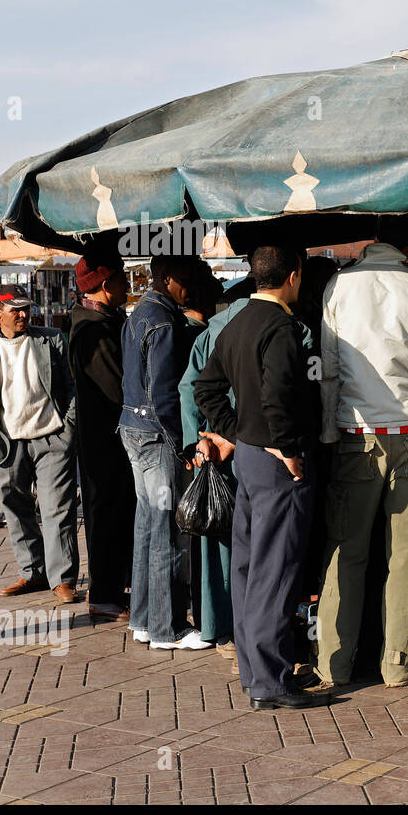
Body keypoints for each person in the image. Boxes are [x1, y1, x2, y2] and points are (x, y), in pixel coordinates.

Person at [193, 244, 327, 710]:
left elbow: (205, 389)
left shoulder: (234, 324)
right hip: (277, 463)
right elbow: (276, 397)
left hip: (249, 458)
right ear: (294, 274)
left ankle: (256, 673)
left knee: (250, 568)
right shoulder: (284, 328)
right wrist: (285, 446)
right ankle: (271, 681)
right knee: (276, 569)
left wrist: (240, 433)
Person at [314, 240, 408, 690]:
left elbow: (328, 370)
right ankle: (398, 664)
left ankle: (334, 664)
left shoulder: (338, 285)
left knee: (345, 552)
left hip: (355, 434)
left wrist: (331, 432)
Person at [0, 284, 80, 603]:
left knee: (59, 507)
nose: (22, 314)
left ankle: (63, 579)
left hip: (51, 437)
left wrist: (67, 429)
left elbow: (71, 388)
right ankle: (33, 572)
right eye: (14, 309)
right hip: (4, 443)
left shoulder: (51, 339)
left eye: (25, 308)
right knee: (15, 508)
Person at [119, 255, 208, 650]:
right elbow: (164, 393)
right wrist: (182, 444)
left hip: (134, 429)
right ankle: (166, 628)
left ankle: (143, 619)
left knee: (147, 525)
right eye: (184, 280)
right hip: (156, 436)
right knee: (168, 531)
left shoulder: (139, 313)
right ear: (167, 279)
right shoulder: (163, 320)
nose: (188, 289)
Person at [177, 277, 258, 654]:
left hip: (215, 451)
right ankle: (250, 625)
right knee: (256, 540)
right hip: (257, 449)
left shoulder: (209, 334)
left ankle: (215, 623)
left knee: (217, 538)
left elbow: (188, 390)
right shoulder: (273, 326)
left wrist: (200, 441)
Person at [68, 255, 134, 621]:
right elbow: (115, 389)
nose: (128, 286)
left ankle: (112, 588)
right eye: (122, 280)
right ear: (106, 286)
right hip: (104, 438)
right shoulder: (93, 328)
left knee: (112, 511)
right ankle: (105, 593)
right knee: (106, 512)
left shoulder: (97, 320)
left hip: (105, 435)